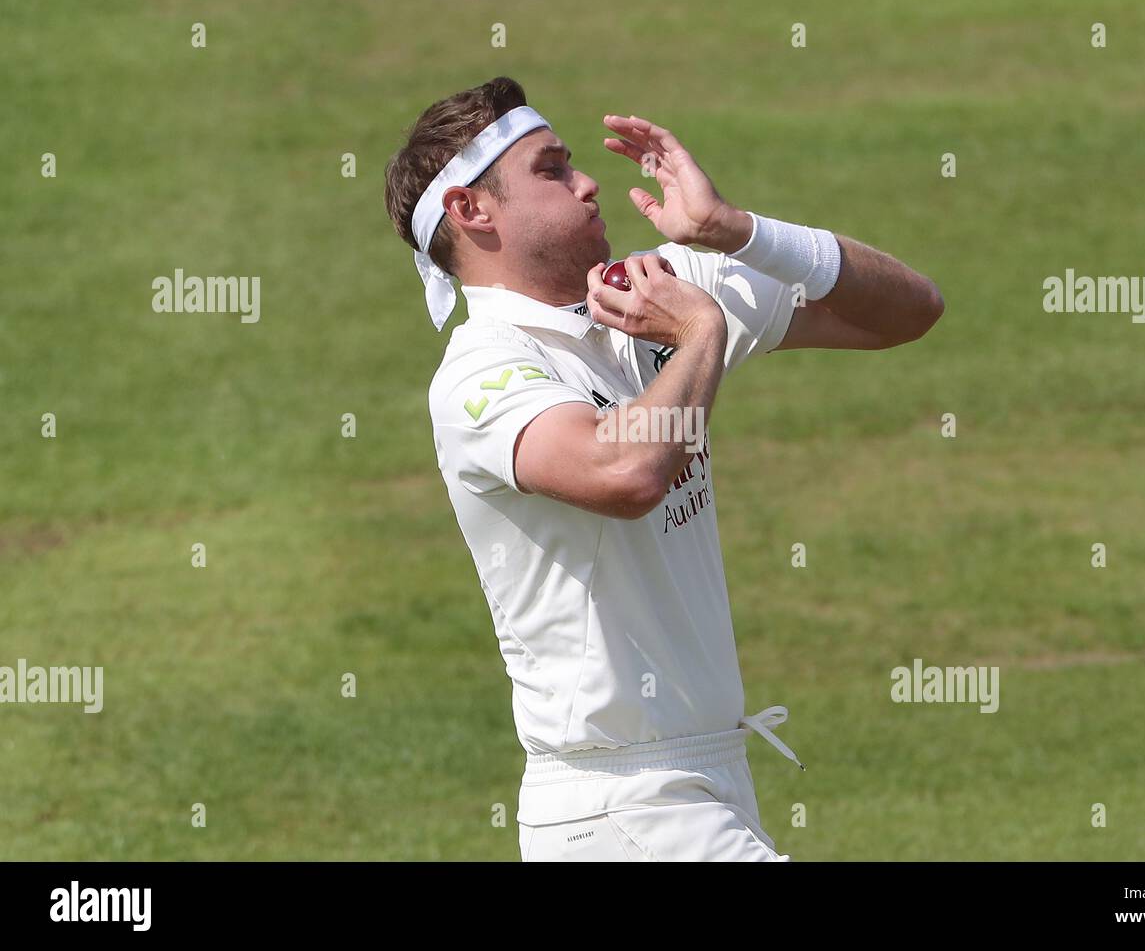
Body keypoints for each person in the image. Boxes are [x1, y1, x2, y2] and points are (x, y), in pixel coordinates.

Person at [383, 76, 944, 861]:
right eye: (551, 169)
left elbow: (908, 311)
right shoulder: (484, 375)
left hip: (705, 783)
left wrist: (739, 231)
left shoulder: (653, 296)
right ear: (472, 212)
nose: (588, 183)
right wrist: (702, 331)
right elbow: (627, 476)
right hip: (620, 807)